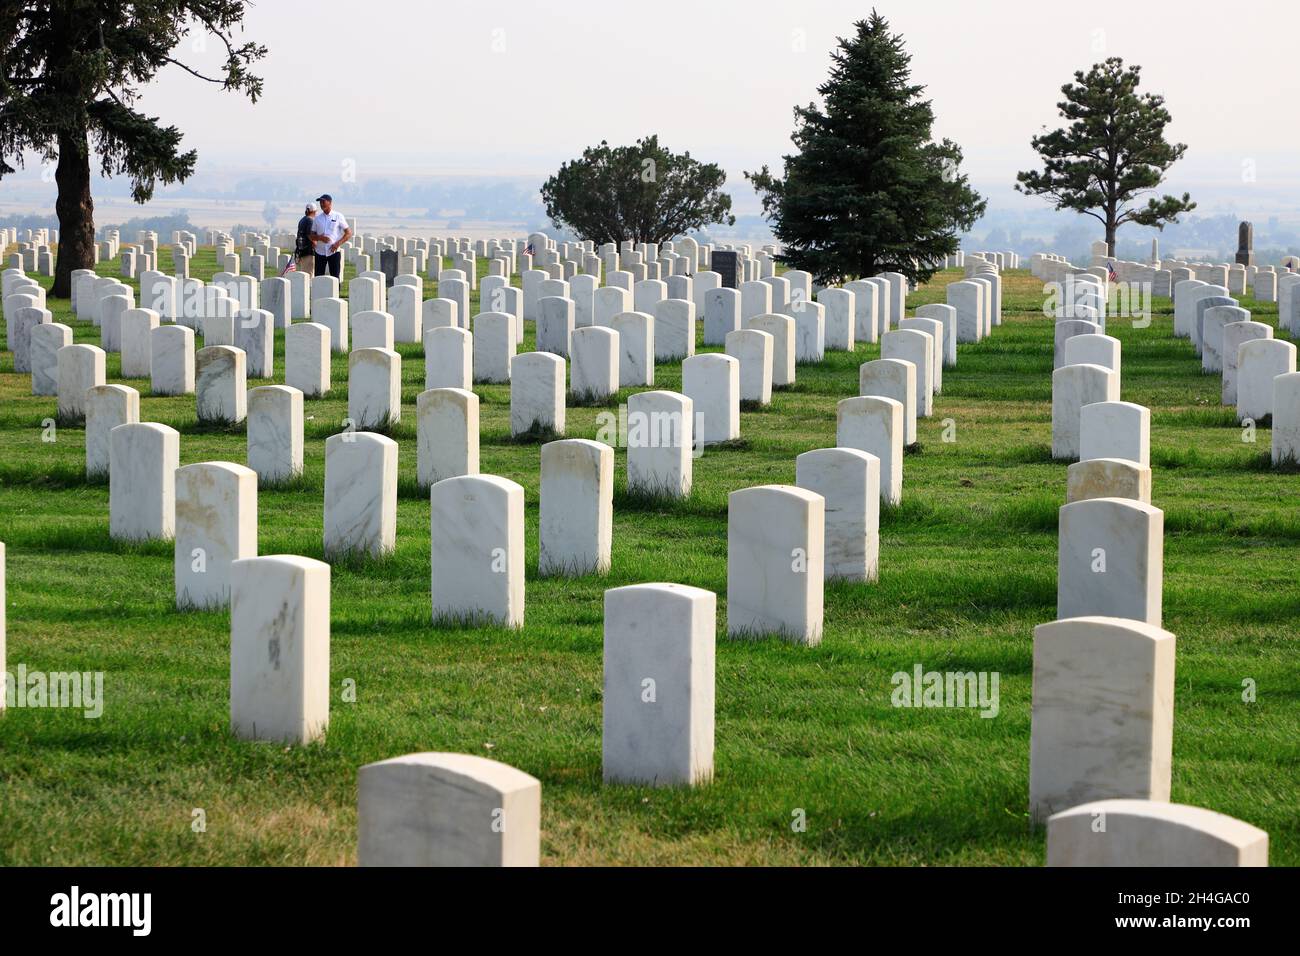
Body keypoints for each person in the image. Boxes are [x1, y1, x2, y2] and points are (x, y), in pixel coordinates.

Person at [310, 194, 352, 279]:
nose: (321, 204)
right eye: (320, 202)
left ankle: (336, 292)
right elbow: (311, 236)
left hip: (334, 252)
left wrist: (338, 244)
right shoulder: (317, 219)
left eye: (323, 202)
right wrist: (320, 238)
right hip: (320, 252)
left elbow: (348, 233)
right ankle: (318, 293)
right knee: (318, 277)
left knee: (335, 277)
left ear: (330, 203)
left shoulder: (338, 216)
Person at [293, 203, 317, 275]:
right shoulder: (310, 220)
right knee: (308, 274)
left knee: (303, 273)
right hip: (308, 251)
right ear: (314, 211)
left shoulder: (302, 220)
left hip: (301, 250)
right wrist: (315, 243)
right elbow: (310, 235)